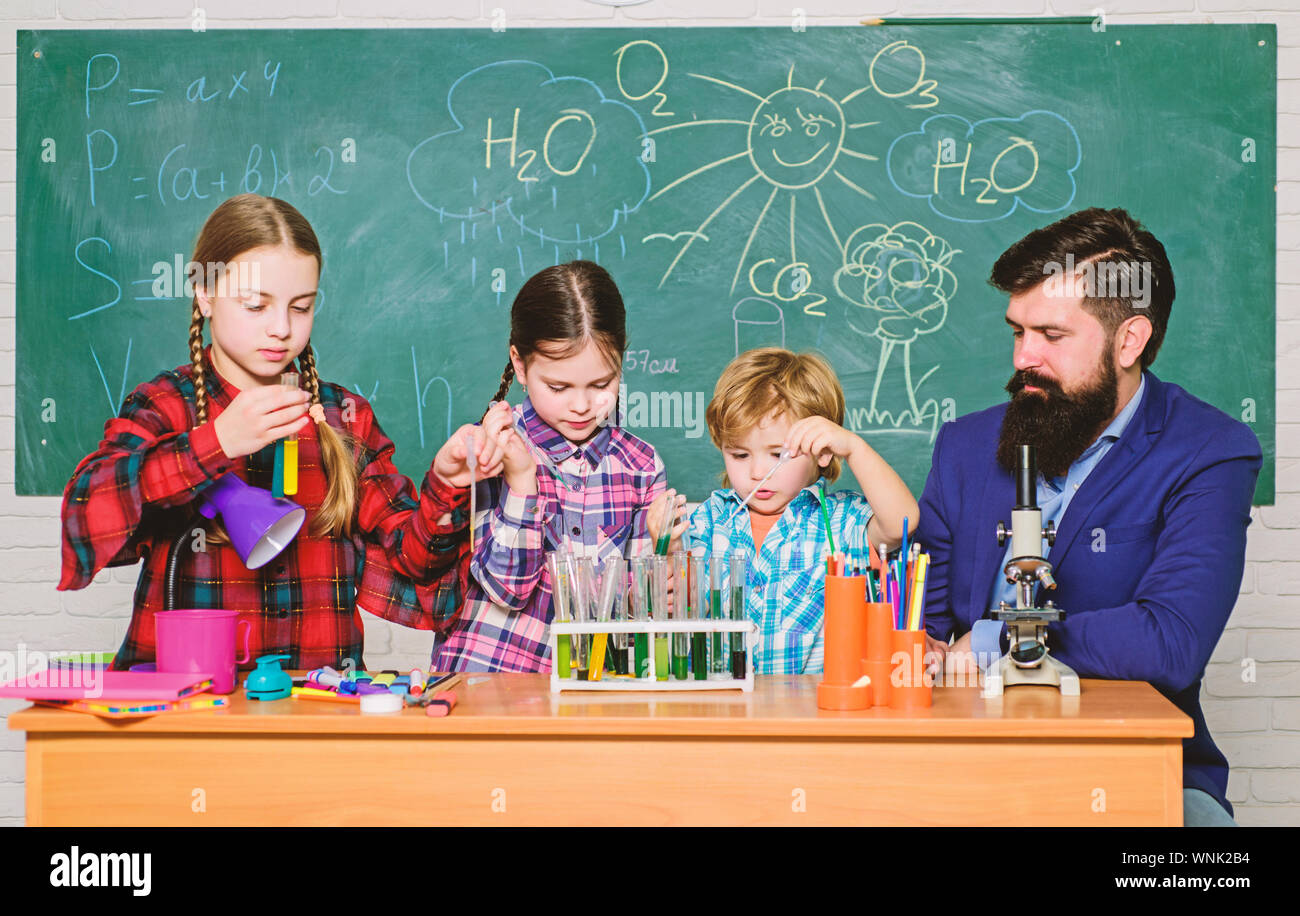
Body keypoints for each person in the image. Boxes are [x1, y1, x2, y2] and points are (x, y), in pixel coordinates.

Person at [59, 193, 504, 671]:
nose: (281, 329)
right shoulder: (167, 405)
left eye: (301, 307)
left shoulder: (342, 416)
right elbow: (85, 515)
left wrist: (447, 486)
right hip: (191, 713)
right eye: (256, 305)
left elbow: (417, 562)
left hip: (317, 711)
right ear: (205, 295)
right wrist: (216, 443)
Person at [918, 207, 1261, 825]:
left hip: (1131, 759)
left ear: (1129, 340)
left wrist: (999, 641)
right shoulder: (964, 448)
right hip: (967, 756)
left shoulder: (1209, 452)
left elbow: (1170, 641)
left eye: (1051, 336)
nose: (1025, 357)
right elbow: (925, 626)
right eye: (1017, 331)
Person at [432, 261, 683, 672]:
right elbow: (506, 590)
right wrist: (521, 482)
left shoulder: (641, 467)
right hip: (489, 682)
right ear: (520, 363)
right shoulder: (492, 445)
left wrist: (666, 555)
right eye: (559, 387)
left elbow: (642, 621)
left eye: (602, 384)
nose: (582, 406)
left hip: (588, 692)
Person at [685, 348, 919, 674]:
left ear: (822, 451)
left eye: (778, 455)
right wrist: (663, 546)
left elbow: (900, 524)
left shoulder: (840, 521)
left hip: (815, 717)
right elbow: (679, 601)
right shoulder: (711, 520)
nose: (757, 472)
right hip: (724, 715)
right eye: (739, 455)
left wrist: (855, 449)